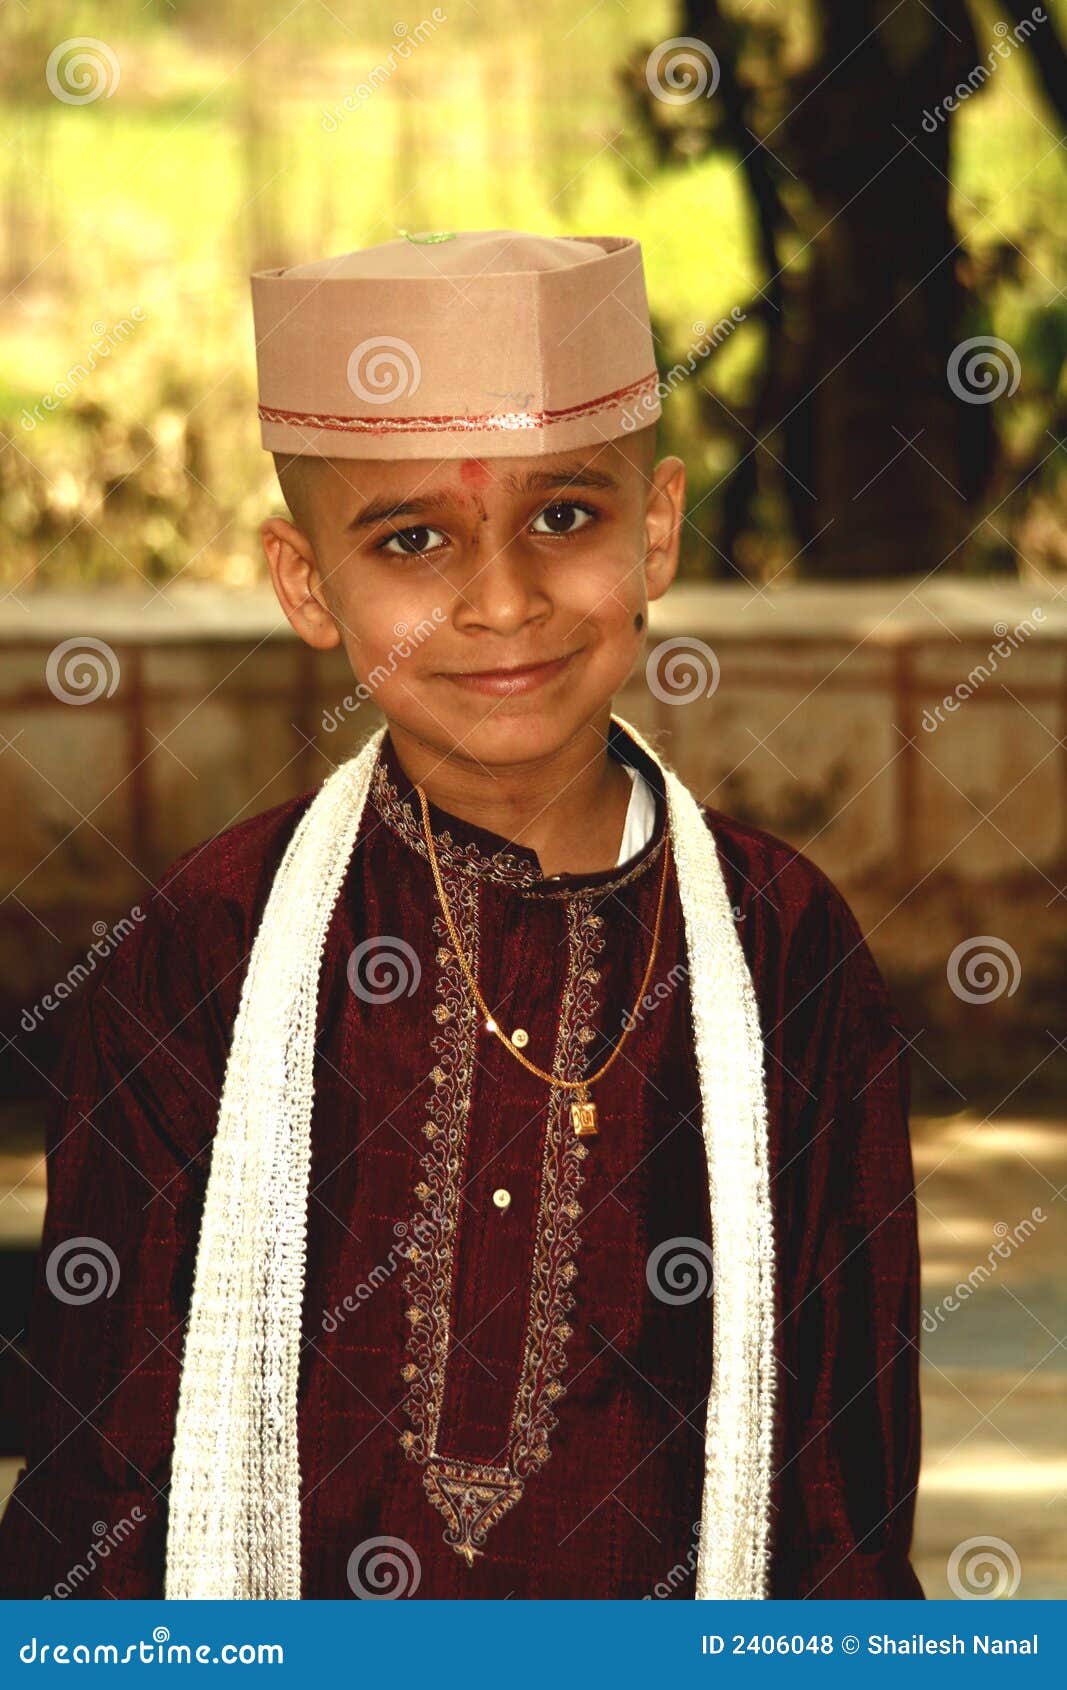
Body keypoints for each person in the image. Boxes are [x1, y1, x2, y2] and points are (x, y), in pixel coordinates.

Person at [0, 230, 924, 1601]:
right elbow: (105, 1479)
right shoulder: (210, 947)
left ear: (657, 527)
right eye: (413, 538)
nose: (505, 600)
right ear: (306, 582)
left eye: (567, 517)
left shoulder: (781, 944)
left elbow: (840, 1497)